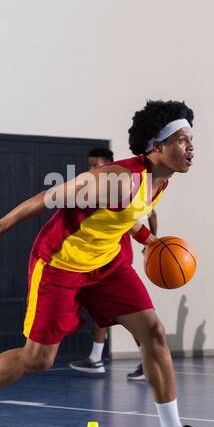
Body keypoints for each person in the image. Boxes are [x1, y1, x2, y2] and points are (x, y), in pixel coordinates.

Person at [0, 100, 214, 427]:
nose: (191, 147)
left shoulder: (159, 180)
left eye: (192, 139)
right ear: (156, 146)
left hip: (107, 262)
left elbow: (126, 217)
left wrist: (148, 242)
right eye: (181, 139)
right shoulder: (117, 179)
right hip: (61, 263)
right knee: (37, 359)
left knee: (153, 331)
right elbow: (48, 197)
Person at [68, 145, 158, 382]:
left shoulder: (127, 184)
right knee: (102, 313)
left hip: (116, 259)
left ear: (109, 164)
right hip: (98, 258)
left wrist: (151, 243)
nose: (92, 169)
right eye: (90, 165)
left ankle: (145, 359)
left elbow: (144, 217)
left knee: (136, 316)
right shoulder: (94, 187)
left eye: (96, 165)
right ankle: (96, 357)